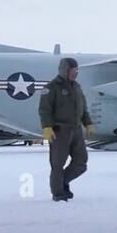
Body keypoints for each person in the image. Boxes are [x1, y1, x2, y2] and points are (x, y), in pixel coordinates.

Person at [38, 57, 94, 202]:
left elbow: (83, 108)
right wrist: (47, 127)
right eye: (73, 70)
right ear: (64, 70)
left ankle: (63, 182)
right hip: (59, 131)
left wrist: (87, 123)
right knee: (57, 164)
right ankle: (58, 193)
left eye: (77, 70)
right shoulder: (51, 87)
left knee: (81, 162)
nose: (76, 73)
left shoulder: (77, 87)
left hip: (76, 130)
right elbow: (44, 110)